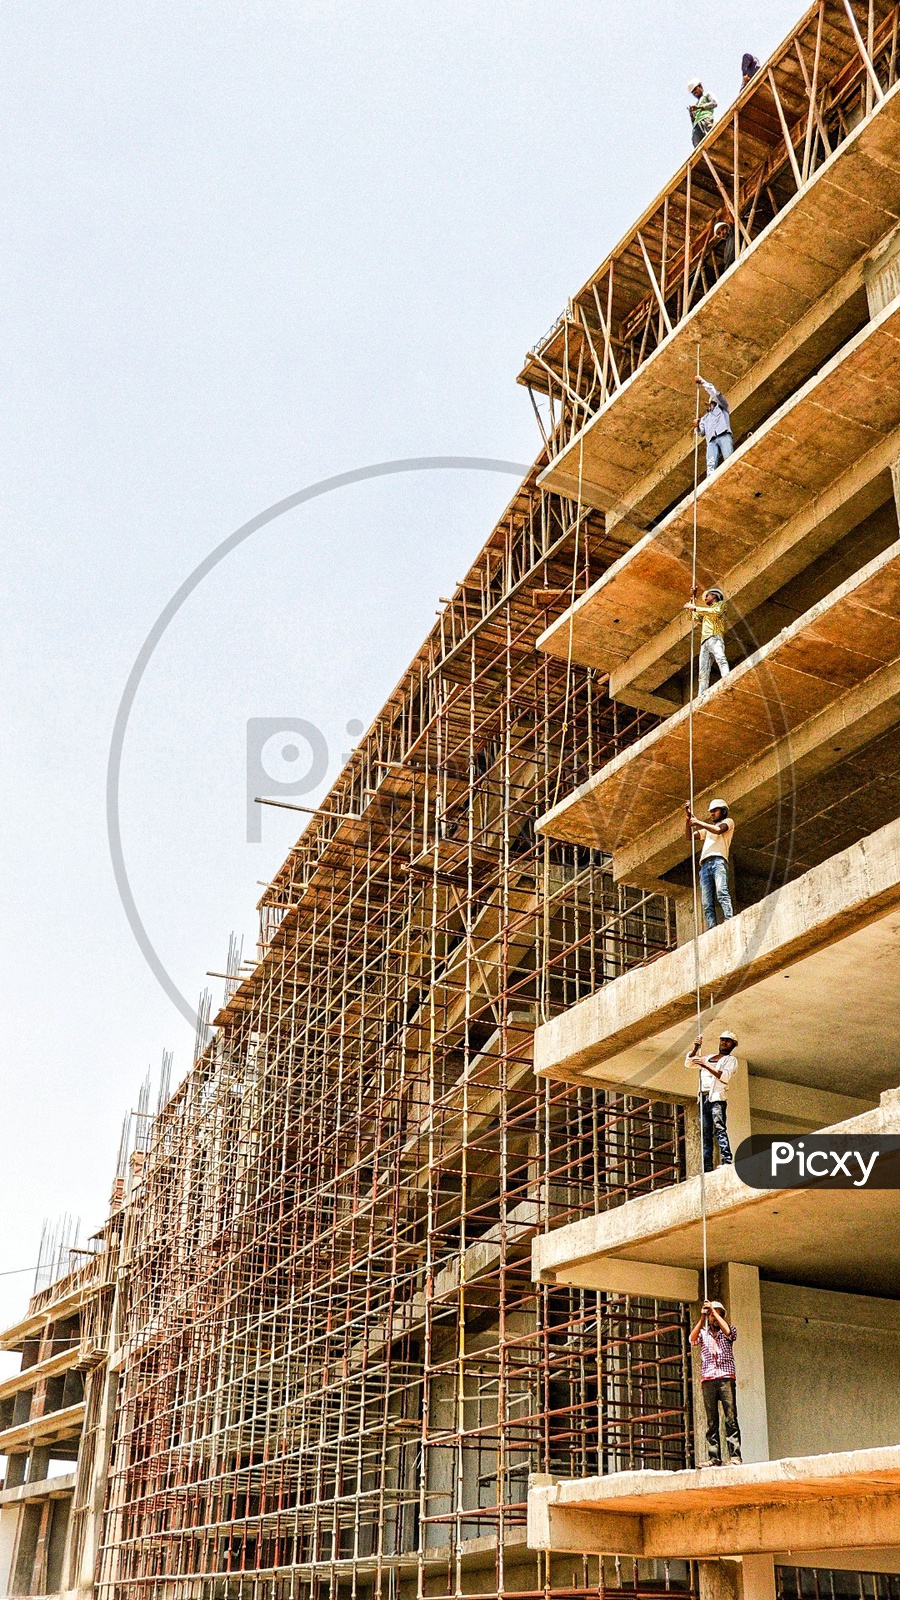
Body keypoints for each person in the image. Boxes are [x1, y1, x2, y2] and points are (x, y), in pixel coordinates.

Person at [689, 1299, 743, 1466]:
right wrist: (702, 1317)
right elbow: (692, 1339)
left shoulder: (728, 1329)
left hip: (726, 1377)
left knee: (730, 1418)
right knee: (712, 1421)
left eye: (717, 1315)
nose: (714, 1318)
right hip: (709, 1379)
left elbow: (728, 1331)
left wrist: (713, 1310)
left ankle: (735, 1456)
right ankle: (714, 1457)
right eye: (712, 1316)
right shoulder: (704, 1333)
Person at [685, 1028, 739, 1169]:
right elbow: (689, 1062)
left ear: (733, 1045)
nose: (724, 1043)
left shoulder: (730, 1060)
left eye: (728, 1041)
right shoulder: (708, 1057)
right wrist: (696, 1047)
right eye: (722, 1040)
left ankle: (726, 1161)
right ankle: (707, 1167)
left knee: (719, 1128)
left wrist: (705, 1065)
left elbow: (724, 1076)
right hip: (703, 1098)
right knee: (705, 1133)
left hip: (716, 1099)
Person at [684, 797, 735, 928]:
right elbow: (689, 837)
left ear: (723, 811)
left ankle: (729, 919)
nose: (712, 814)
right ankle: (712, 927)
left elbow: (718, 830)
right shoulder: (708, 830)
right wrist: (688, 820)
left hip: (718, 861)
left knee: (721, 892)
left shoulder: (728, 822)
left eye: (715, 811)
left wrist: (698, 822)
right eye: (711, 811)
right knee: (707, 902)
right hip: (705, 866)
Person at [685, 585, 729, 694]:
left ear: (714, 595)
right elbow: (691, 616)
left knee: (720, 658)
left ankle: (727, 678)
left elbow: (716, 612)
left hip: (715, 637)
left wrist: (695, 607)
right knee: (703, 672)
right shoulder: (706, 612)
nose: (705, 598)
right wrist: (692, 598)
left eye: (707, 596)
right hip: (704, 642)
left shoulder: (720, 605)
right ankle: (701, 694)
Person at [695, 375, 733, 473]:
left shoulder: (722, 407)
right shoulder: (705, 418)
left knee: (729, 459)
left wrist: (702, 382)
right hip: (711, 441)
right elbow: (701, 433)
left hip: (723, 434)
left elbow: (715, 393)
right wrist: (697, 426)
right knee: (710, 466)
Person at [688, 80, 717, 147]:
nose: (695, 92)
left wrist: (699, 107)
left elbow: (714, 103)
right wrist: (691, 115)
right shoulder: (696, 104)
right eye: (693, 92)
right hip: (697, 125)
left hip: (706, 120)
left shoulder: (707, 95)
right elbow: (693, 122)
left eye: (695, 89)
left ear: (700, 87)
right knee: (697, 145)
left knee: (710, 138)